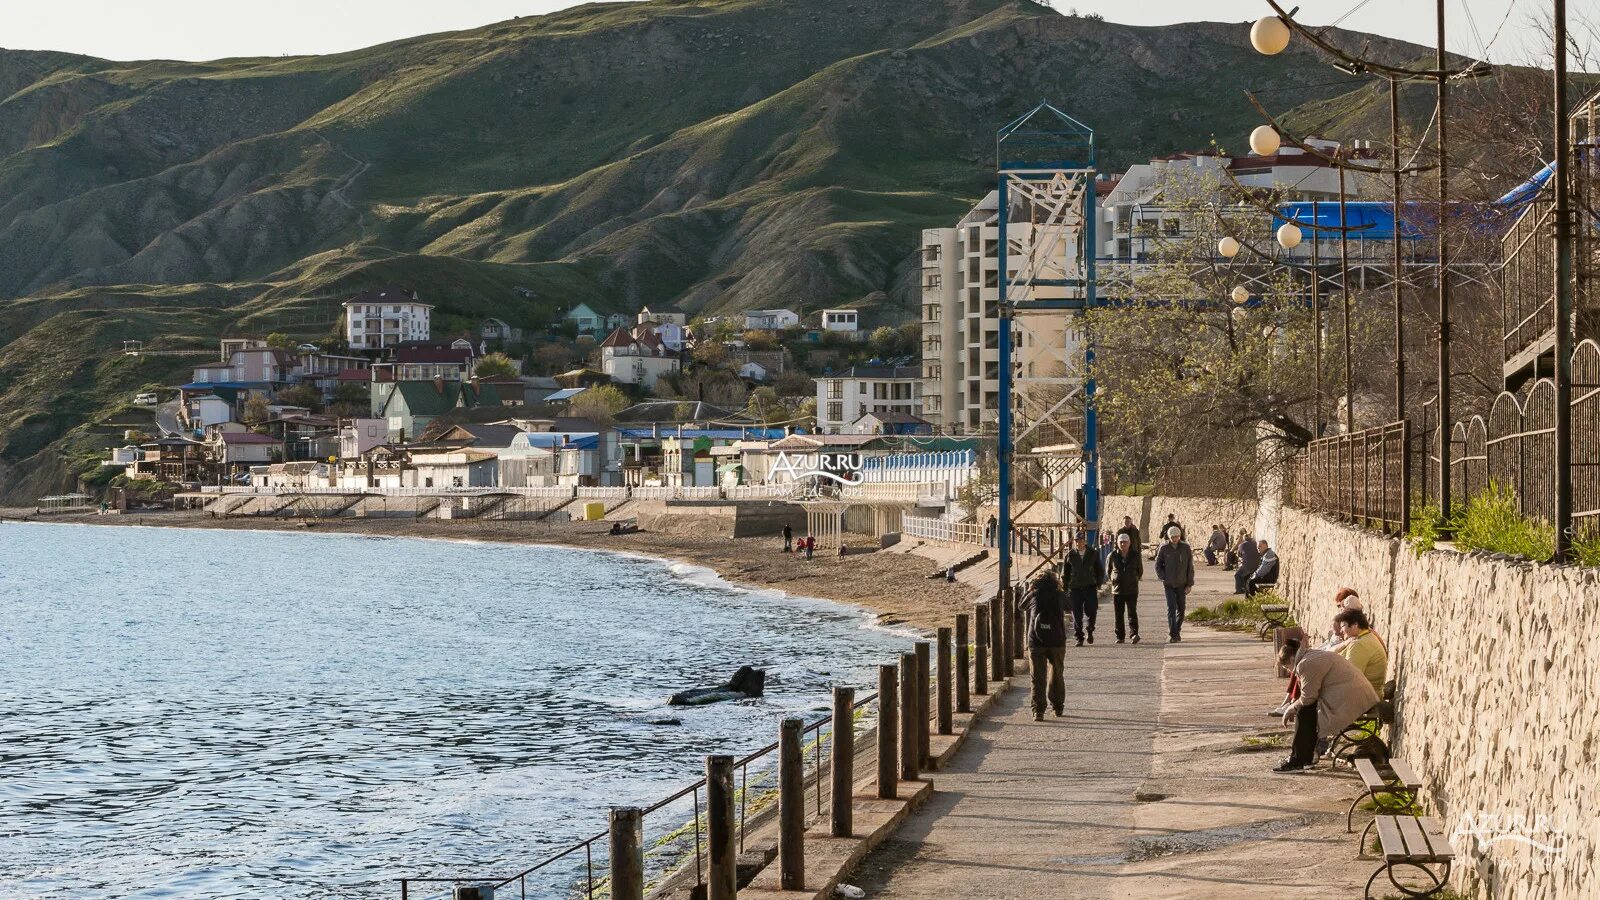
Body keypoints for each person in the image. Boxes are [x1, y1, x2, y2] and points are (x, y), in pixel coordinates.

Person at [1273, 639, 1380, 773]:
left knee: (1303, 710)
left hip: (1353, 700)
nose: (1290, 672)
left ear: (1292, 658)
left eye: (1287, 667)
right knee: (1305, 710)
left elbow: (1308, 697)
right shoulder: (1310, 656)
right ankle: (1303, 758)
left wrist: (1290, 708)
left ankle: (1299, 760)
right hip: (1355, 697)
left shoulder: (1306, 664)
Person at [1023, 571, 1069, 721]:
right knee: (1057, 674)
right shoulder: (1059, 594)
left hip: (1036, 641)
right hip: (1057, 641)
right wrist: (1061, 590)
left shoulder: (1034, 594)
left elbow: (1021, 606)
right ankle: (1057, 707)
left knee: (1037, 677)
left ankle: (1038, 711)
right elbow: (1071, 606)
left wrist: (1030, 590)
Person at [1333, 608, 1388, 695]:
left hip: (1363, 699)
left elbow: (1349, 679)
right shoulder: (1368, 636)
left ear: (1355, 624)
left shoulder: (1359, 644)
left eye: (1343, 626)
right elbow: (1329, 652)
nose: (1341, 630)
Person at [1154, 526, 1194, 643]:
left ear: (1179, 536)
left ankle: (1176, 630)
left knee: (1181, 609)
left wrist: (1189, 583)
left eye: (1176, 536)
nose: (1174, 539)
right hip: (1169, 583)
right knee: (1171, 608)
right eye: (1172, 537)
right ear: (1169, 537)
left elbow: (1190, 567)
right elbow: (1158, 565)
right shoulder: (1164, 548)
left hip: (1182, 583)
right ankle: (1173, 634)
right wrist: (1163, 578)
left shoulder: (1185, 548)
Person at [1063, 535, 1104, 646]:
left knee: (1091, 610)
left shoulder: (1093, 553)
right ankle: (1079, 637)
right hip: (1075, 588)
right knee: (1077, 614)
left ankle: (1090, 629)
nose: (1078, 543)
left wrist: (1098, 582)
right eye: (1076, 541)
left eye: (1080, 541)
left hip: (1089, 587)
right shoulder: (1070, 555)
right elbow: (1065, 573)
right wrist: (1065, 588)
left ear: (1084, 541)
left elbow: (1099, 570)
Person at [1107, 531, 1143, 644]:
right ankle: (1120, 636)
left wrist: (1134, 579)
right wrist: (1114, 580)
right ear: (1117, 543)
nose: (1123, 544)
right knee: (1118, 614)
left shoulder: (1135, 555)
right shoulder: (1112, 556)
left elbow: (1140, 571)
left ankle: (1134, 633)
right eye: (1121, 542)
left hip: (1132, 588)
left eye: (1125, 542)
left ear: (1129, 543)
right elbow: (1108, 571)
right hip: (1117, 589)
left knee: (1132, 612)